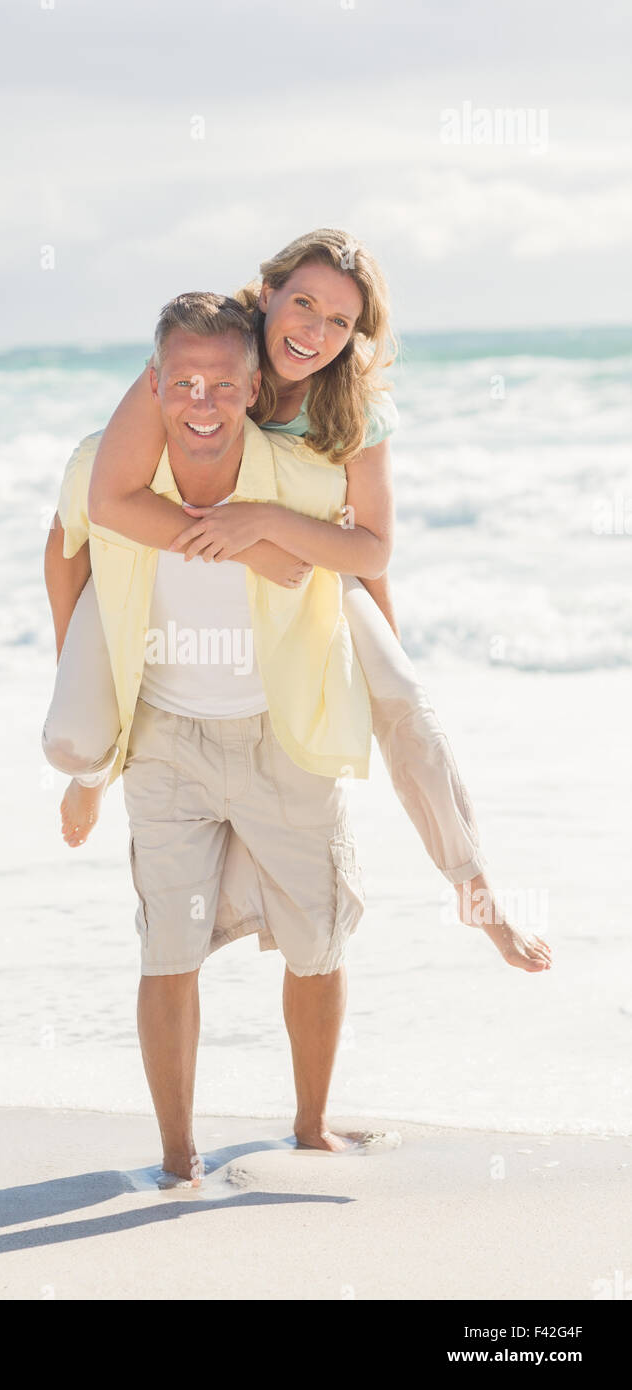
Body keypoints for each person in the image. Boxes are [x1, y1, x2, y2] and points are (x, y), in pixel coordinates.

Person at [43, 228, 554, 972]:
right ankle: (90, 775)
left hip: (310, 568)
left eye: (340, 322)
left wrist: (278, 533)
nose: (314, 332)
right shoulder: (213, 354)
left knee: (408, 707)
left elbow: (373, 549)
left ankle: (477, 896)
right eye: (304, 303)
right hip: (173, 557)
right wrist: (248, 545)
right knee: (80, 712)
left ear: (356, 336)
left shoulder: (354, 410)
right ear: (269, 292)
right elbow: (95, 509)